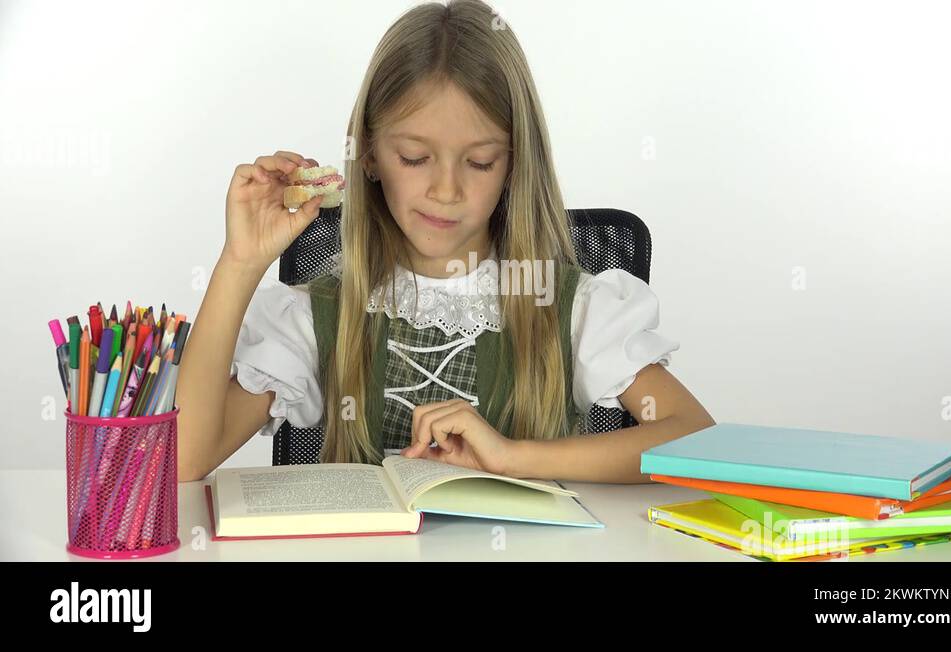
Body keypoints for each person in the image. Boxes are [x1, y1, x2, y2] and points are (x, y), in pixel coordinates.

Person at [176, 0, 714, 483]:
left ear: (514, 164)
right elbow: (183, 460)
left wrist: (510, 457)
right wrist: (240, 263)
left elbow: (692, 438)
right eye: (414, 157)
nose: (447, 189)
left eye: (480, 161)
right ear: (369, 155)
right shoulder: (317, 316)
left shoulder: (572, 306)